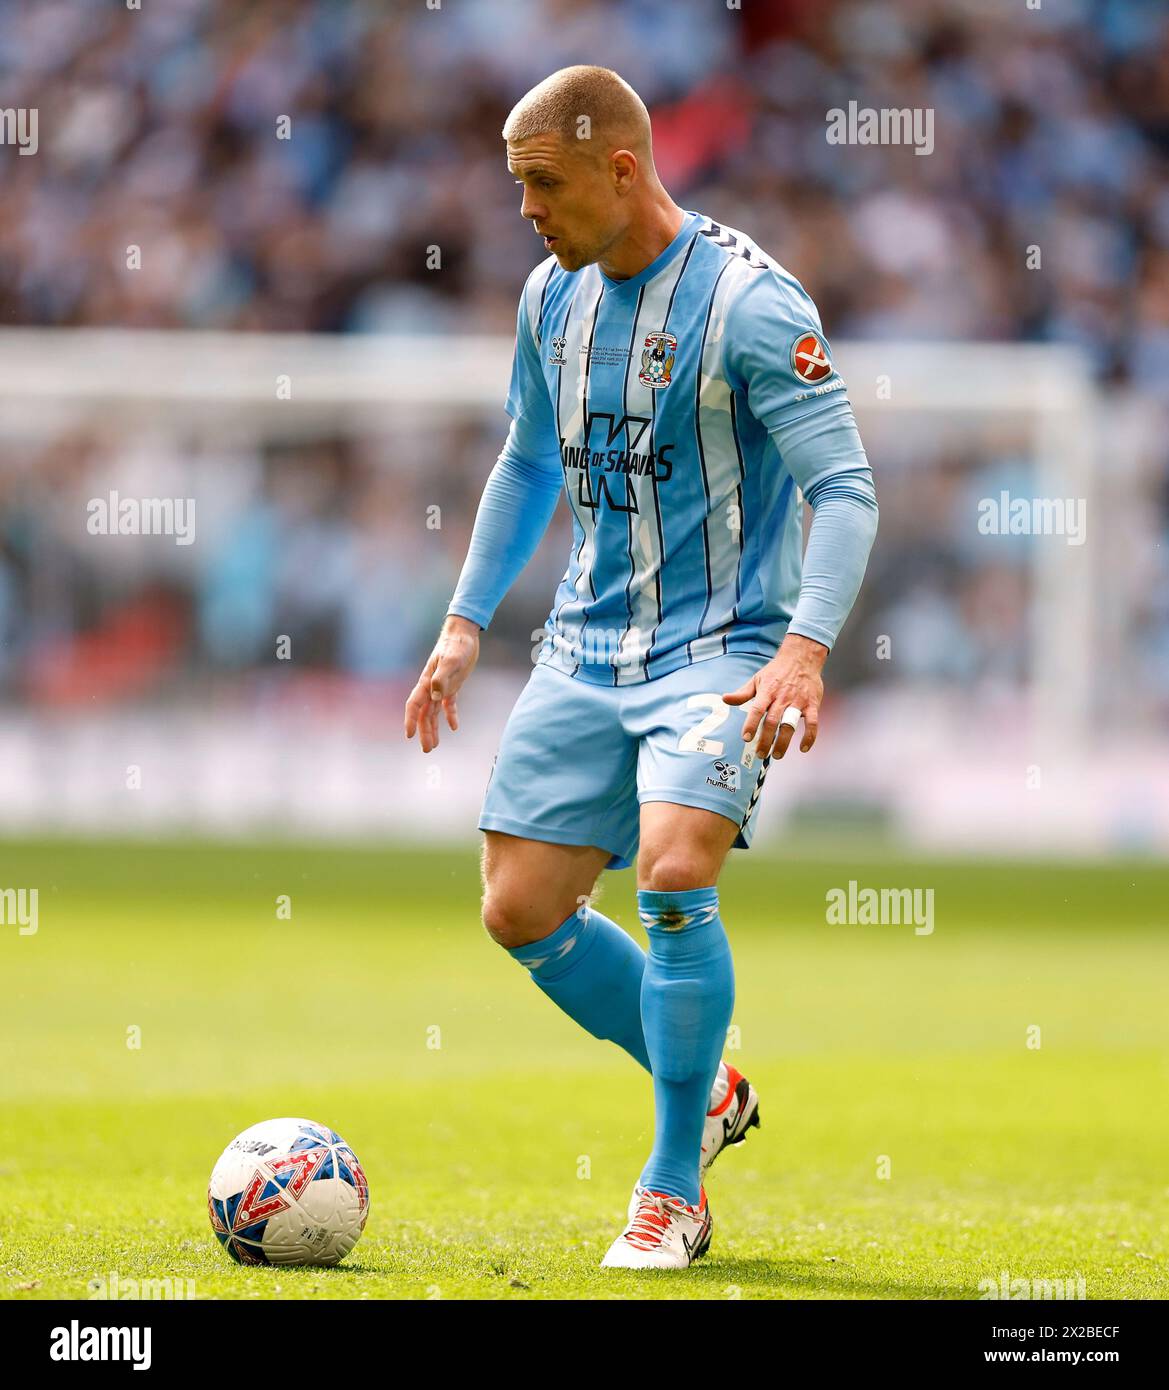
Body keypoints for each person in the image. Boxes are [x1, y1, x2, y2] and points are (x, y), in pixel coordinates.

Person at [405, 64, 878, 1269]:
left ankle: (671, 1186)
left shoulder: (752, 306)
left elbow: (844, 488)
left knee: (672, 873)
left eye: (543, 183)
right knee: (519, 909)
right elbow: (526, 464)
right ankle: (710, 1088)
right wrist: (464, 622)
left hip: (721, 650)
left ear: (621, 168)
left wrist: (804, 649)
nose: (526, 210)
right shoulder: (546, 298)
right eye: (517, 187)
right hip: (581, 643)